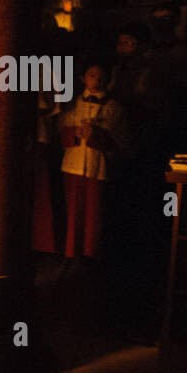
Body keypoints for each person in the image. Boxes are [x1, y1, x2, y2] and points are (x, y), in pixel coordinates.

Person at [58, 60, 129, 260]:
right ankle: (71, 251)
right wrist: (74, 132)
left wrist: (97, 136)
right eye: (91, 76)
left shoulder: (114, 108)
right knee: (73, 210)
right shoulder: (73, 104)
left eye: (100, 77)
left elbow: (122, 141)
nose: (96, 81)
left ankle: (92, 253)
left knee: (94, 212)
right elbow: (60, 130)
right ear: (83, 78)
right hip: (73, 164)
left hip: (98, 166)